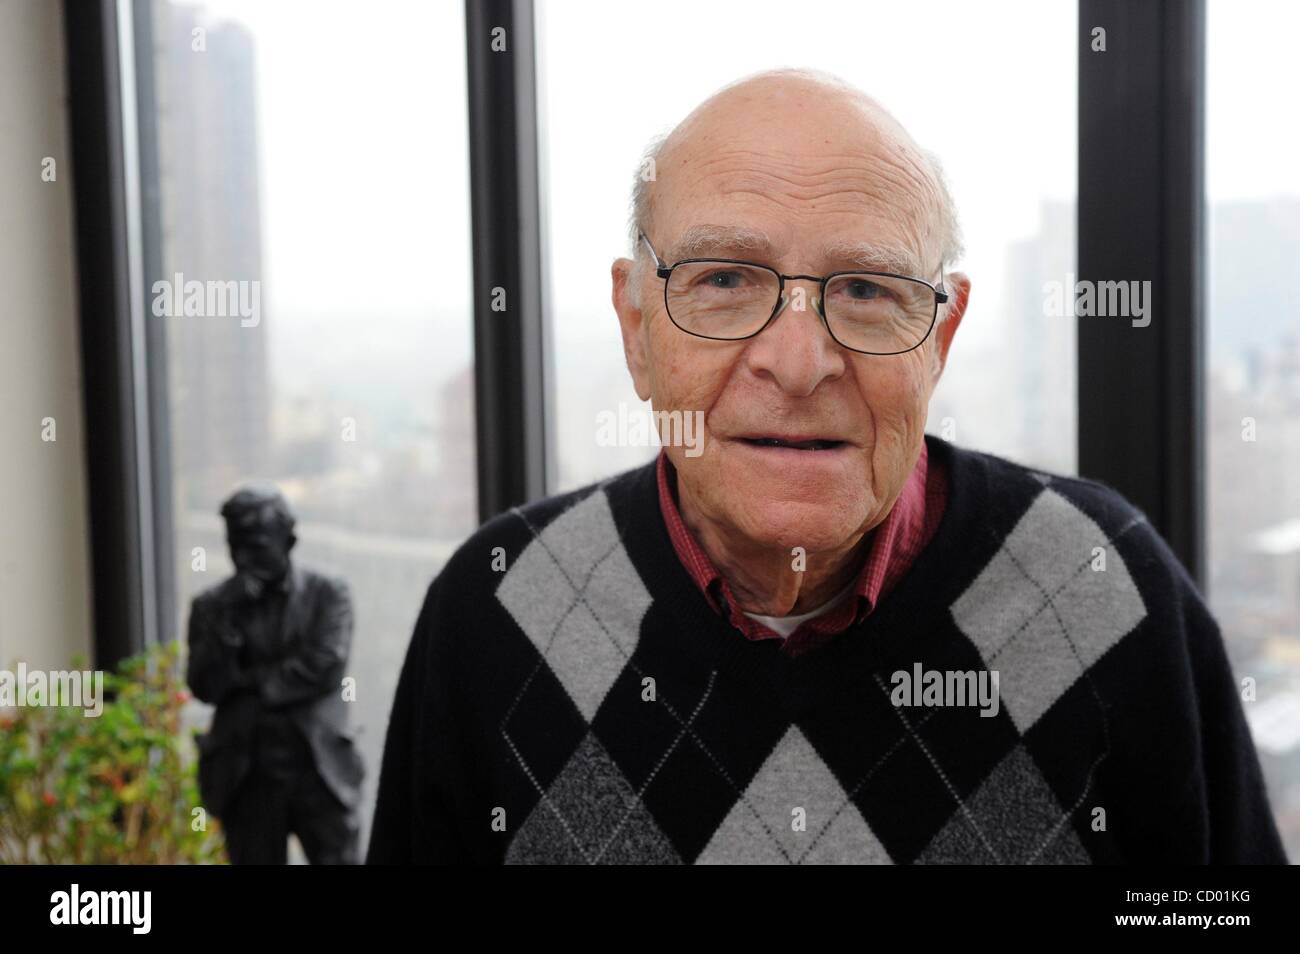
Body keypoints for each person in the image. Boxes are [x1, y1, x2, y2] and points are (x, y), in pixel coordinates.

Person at [368, 68, 1285, 864]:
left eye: (866, 290)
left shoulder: (1103, 588)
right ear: (636, 326)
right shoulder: (496, 610)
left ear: (942, 336)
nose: (798, 363)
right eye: (724, 280)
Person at [187, 485, 364, 864]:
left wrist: (246, 682)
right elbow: (204, 685)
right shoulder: (211, 606)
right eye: (237, 547)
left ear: (289, 540)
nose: (246, 559)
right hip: (246, 773)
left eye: (258, 547)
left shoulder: (328, 594)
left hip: (318, 769)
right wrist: (225, 624)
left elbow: (324, 667)